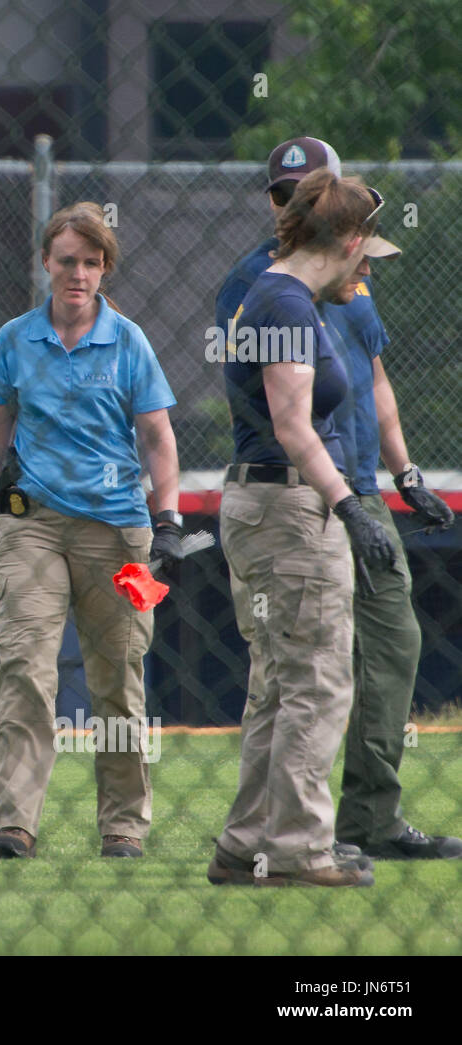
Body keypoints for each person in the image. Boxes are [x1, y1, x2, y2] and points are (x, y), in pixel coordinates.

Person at [214, 137, 459, 865]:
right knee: (315, 683)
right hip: (297, 501)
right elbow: (292, 425)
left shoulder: (301, 292)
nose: (367, 266)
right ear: (347, 240)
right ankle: (300, 848)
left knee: (287, 683)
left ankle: (248, 843)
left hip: (300, 497)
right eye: (365, 252)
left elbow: (367, 383)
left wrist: (402, 473)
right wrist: (349, 504)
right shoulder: (278, 295)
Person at [0, 202, 182, 861]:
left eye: (90, 261)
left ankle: (123, 826)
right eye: (66, 260)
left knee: (117, 676)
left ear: (104, 268)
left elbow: (158, 437)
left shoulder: (129, 340)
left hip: (119, 529)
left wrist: (167, 521)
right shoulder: (15, 339)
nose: (77, 272)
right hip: (33, 526)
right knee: (24, 665)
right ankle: (15, 824)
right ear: (45, 263)